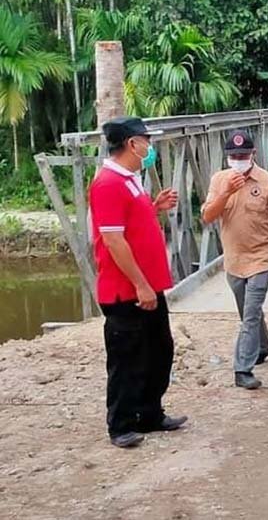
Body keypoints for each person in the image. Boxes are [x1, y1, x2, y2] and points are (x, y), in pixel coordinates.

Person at [89, 116, 187, 448]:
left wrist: (154, 207)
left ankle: (150, 412)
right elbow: (114, 241)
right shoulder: (107, 184)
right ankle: (121, 423)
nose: (149, 146)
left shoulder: (130, 178)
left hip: (149, 285)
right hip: (126, 290)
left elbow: (132, 222)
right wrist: (140, 285)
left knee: (159, 350)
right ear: (132, 144)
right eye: (147, 140)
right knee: (127, 357)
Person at [201, 130, 268, 390]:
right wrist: (226, 192)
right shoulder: (219, 180)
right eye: (233, 156)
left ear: (253, 154)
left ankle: (242, 369)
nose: (238, 159)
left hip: (262, 258)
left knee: (250, 314)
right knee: (247, 311)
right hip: (234, 259)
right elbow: (207, 216)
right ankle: (264, 345)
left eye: (242, 155)